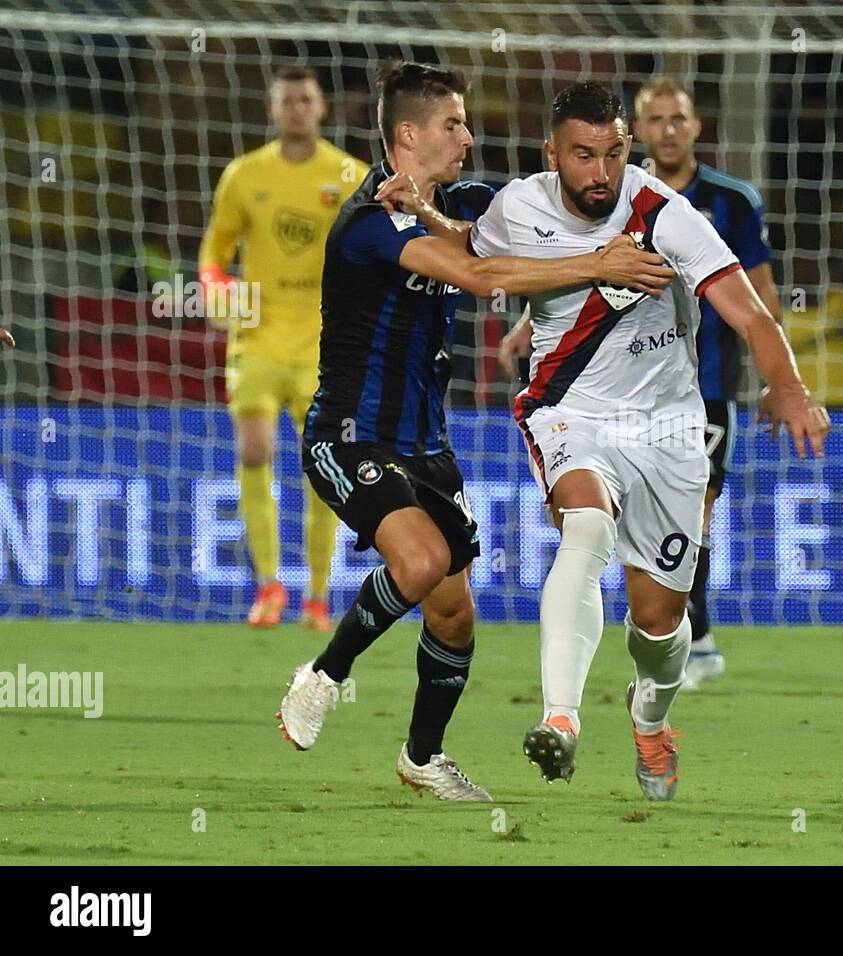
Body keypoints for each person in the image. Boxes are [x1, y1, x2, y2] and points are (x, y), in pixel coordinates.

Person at [275, 62, 674, 800]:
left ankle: (422, 758)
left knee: (454, 616)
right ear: (408, 134)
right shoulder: (365, 223)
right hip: (351, 434)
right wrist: (595, 266)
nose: (467, 135)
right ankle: (325, 674)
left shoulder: (462, 201)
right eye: (452, 124)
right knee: (422, 561)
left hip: (428, 447)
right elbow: (482, 275)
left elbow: (517, 240)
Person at [473, 82, 829, 801]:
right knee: (586, 524)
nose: (599, 173)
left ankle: (650, 715)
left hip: (669, 429)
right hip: (570, 411)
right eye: (582, 156)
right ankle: (561, 719)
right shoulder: (518, 206)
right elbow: (472, 264)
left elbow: (751, 313)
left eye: (612, 153)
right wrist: (415, 212)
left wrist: (785, 385)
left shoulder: (664, 215)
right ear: (553, 154)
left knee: (659, 623)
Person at [499, 76, 782, 690]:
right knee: (595, 522)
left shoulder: (722, 202)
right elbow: (549, 275)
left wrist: (777, 374)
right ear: (643, 130)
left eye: (678, 118)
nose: (668, 130)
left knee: (696, 515)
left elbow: (759, 299)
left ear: (694, 126)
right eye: (657, 119)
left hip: (696, 389)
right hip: (593, 403)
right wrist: (529, 321)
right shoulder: (566, 203)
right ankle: (576, 696)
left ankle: (690, 630)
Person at [198, 65, 367, 630]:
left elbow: (379, 248)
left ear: (322, 109)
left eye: (306, 99)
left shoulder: (350, 175)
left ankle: (318, 597)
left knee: (322, 465)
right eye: (286, 100)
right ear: (272, 110)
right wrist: (217, 290)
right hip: (259, 337)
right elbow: (213, 255)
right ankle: (270, 587)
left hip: (324, 342)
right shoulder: (244, 176)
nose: (296, 108)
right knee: (253, 450)